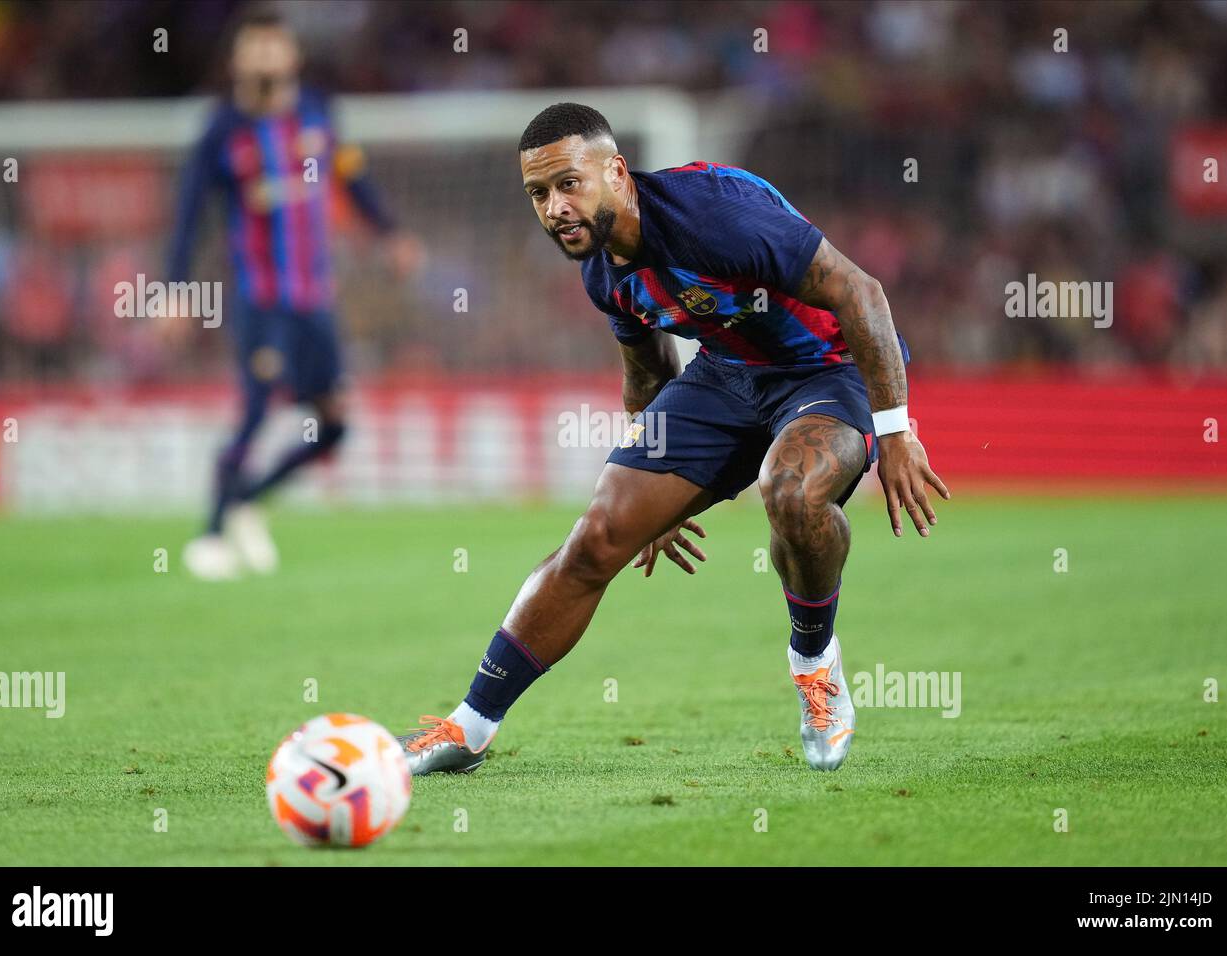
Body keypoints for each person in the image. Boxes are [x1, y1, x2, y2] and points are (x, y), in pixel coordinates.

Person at [398, 103, 948, 773]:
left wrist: (895, 432)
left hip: (828, 371)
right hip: (726, 378)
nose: (553, 208)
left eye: (568, 183)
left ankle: (815, 668)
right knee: (600, 534)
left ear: (616, 173)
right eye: (538, 194)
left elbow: (861, 292)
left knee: (790, 492)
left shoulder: (714, 213)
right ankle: (469, 726)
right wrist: (656, 498)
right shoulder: (604, 272)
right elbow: (647, 374)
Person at [168, 11, 421, 580]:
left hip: (315, 297)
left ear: (291, 57)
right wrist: (174, 290)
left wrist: (390, 233)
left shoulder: (318, 113)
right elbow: (188, 216)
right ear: (236, 61)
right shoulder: (221, 130)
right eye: (252, 48)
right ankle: (209, 536)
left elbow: (351, 176)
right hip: (263, 296)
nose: (263, 58)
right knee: (257, 407)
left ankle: (247, 500)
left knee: (334, 424)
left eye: (272, 47)